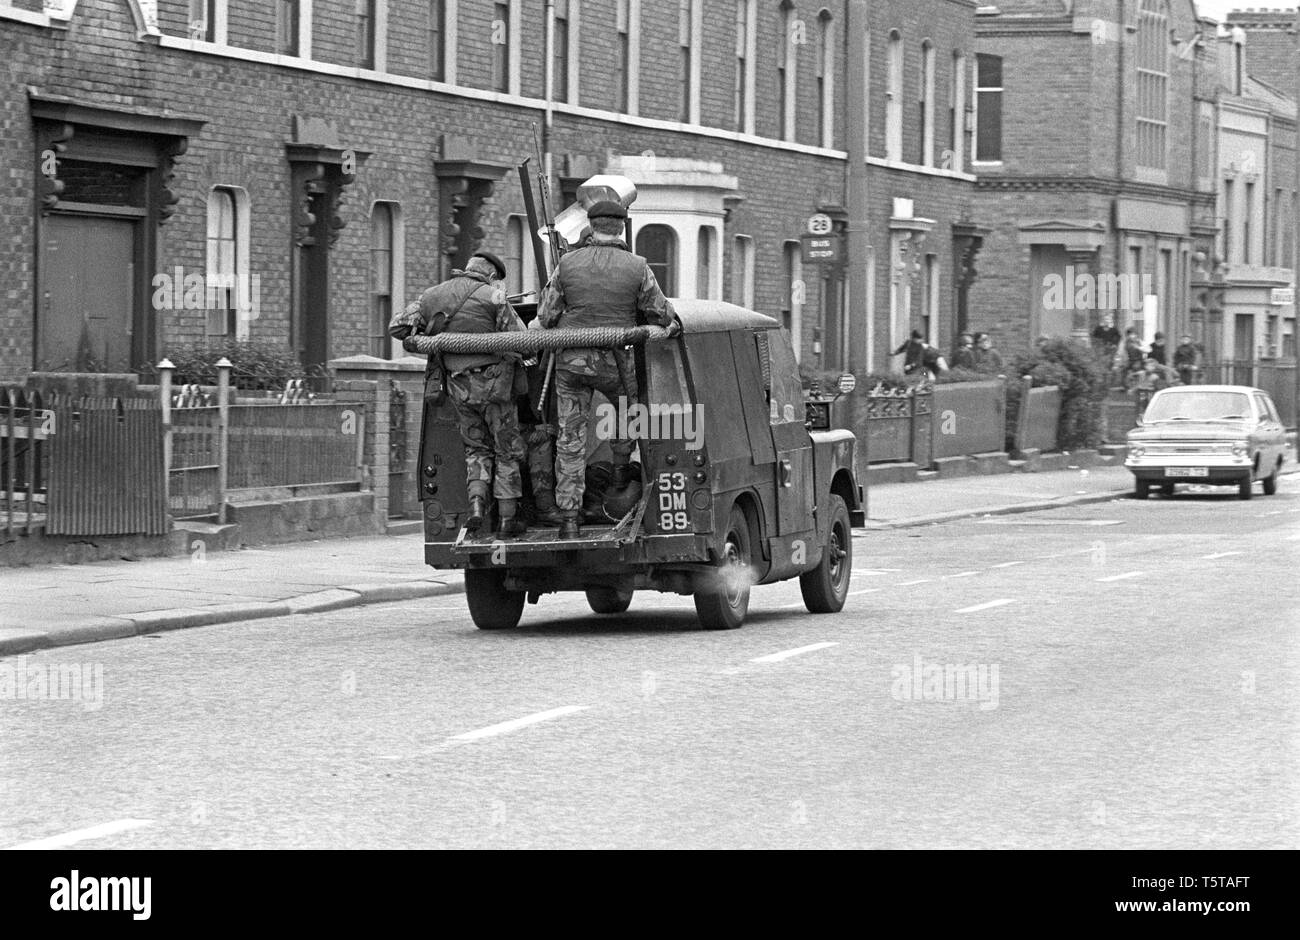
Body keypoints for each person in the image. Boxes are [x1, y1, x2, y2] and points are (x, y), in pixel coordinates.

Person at [537, 200, 681, 540]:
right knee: (628, 415)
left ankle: (570, 519)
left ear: (591, 224)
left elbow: (546, 315)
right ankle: (618, 478)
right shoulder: (637, 266)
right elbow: (660, 312)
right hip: (616, 363)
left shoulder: (567, 264)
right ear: (622, 226)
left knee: (570, 439)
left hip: (571, 363)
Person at [390, 251, 529, 538]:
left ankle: (477, 506)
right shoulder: (493, 297)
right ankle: (507, 520)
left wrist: (430, 338)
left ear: (466, 270)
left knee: (475, 449)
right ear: (491, 275)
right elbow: (523, 339)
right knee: (507, 450)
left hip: (458, 388)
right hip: (495, 390)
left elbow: (398, 326)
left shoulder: (432, 296)